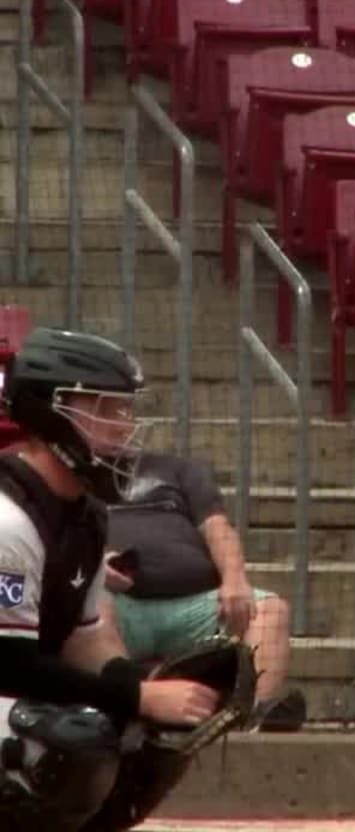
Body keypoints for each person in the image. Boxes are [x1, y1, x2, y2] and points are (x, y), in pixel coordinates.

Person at [0, 328, 221, 829]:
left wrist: (150, 688)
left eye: (123, 410)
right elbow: (9, 666)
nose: (123, 426)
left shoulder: (84, 516)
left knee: (140, 734)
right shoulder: (8, 518)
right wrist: (135, 696)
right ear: (49, 413)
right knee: (68, 740)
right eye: (103, 409)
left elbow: (84, 638)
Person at [100, 451, 305, 732]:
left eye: (123, 409)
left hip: (194, 606)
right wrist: (95, 567)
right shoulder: (73, 474)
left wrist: (234, 580)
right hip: (118, 606)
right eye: (106, 410)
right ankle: (116, 718)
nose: (120, 420)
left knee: (271, 610)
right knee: (90, 605)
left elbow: (217, 528)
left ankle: (251, 719)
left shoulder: (174, 468)